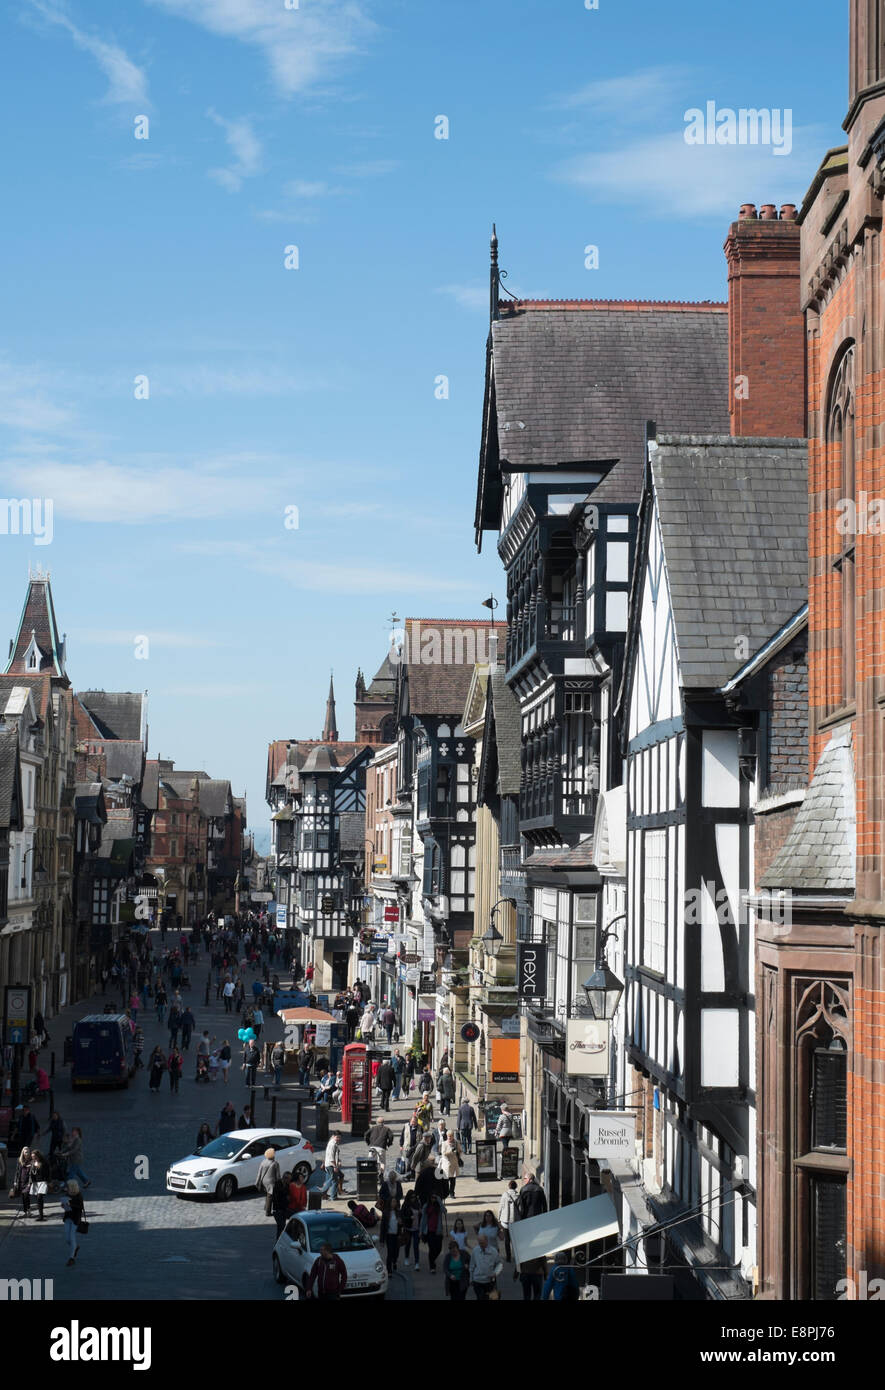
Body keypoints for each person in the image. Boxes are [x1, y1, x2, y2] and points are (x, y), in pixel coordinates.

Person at [470, 1232, 503, 1299]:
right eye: (479, 1243)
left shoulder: (493, 1251)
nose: (481, 1245)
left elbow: (499, 1264)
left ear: (487, 1241)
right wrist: (471, 1278)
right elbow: (472, 1266)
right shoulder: (475, 1250)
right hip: (477, 1280)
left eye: (482, 1243)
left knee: (490, 1298)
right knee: (480, 1297)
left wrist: (495, 1273)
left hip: (489, 1281)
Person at [61, 1179, 86, 1266]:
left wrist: (71, 1205)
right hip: (68, 1218)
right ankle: (75, 1247)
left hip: (75, 1219)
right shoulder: (67, 1194)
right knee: (68, 1239)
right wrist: (63, 1205)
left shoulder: (79, 1196)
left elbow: (80, 1207)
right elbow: (65, 1206)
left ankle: (71, 1258)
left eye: (68, 1186)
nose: (66, 1188)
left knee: (72, 1237)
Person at [420, 1192, 446, 1272]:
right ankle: (432, 1266)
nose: (433, 1199)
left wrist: (439, 1200)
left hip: (438, 1230)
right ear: (429, 1198)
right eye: (432, 1197)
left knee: (438, 1248)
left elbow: (444, 1211)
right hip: (429, 1231)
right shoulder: (426, 1206)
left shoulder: (438, 1206)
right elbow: (423, 1219)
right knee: (432, 1248)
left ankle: (432, 1260)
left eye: (435, 1198)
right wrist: (421, 1230)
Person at [498, 1179, 519, 1262]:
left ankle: (508, 1257)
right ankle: (516, 1256)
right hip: (515, 1220)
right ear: (516, 1187)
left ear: (509, 1186)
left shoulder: (504, 1195)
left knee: (507, 1240)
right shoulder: (518, 1196)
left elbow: (501, 1207)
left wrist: (499, 1218)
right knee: (515, 1241)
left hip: (505, 1221)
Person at [379, 1196, 401, 1273]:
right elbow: (382, 1227)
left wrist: (400, 1222)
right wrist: (381, 1240)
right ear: (389, 1203)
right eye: (393, 1202)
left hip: (397, 1235)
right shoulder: (385, 1213)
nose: (394, 1203)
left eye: (395, 1202)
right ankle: (389, 1270)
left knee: (396, 1252)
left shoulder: (398, 1212)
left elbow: (402, 1224)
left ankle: (394, 1262)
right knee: (390, 1252)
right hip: (389, 1235)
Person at [256, 1148, 280, 1217]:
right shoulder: (275, 1163)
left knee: (266, 1195)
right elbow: (278, 1175)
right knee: (270, 1196)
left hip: (263, 1181)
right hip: (271, 1182)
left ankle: (265, 1207)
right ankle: (268, 1212)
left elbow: (259, 1173)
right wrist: (279, 1182)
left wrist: (258, 1181)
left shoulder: (263, 1162)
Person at [11, 1146, 34, 1217]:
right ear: (23, 1153)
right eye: (25, 1152)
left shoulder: (31, 1160)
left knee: (26, 1195)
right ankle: (25, 1211)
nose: (27, 1153)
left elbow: (33, 1172)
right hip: (21, 1181)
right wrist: (15, 1181)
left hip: (28, 1181)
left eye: (28, 1151)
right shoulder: (19, 1160)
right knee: (23, 1197)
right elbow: (17, 1172)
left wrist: (31, 1182)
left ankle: (29, 1210)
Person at [402, 1191, 421, 1269]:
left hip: (417, 1229)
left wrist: (421, 1212)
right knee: (408, 1244)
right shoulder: (405, 1205)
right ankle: (406, 1258)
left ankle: (417, 1263)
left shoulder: (418, 1204)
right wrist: (409, 1218)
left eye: (414, 1197)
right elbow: (402, 1217)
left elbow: (421, 1216)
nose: (413, 1199)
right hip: (408, 1228)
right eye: (411, 1197)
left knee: (416, 1246)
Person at [440, 1131, 462, 1197]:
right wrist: (451, 1151)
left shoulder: (456, 1142)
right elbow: (443, 1153)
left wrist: (458, 1153)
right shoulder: (444, 1143)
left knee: (453, 1180)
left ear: (453, 1136)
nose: (449, 1137)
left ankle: (452, 1193)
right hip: (447, 1164)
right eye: (448, 1136)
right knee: (446, 1180)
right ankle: (446, 1193)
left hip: (454, 1163)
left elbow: (460, 1151)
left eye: (451, 1136)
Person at [322, 1132, 345, 1198]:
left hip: (330, 1164)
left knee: (331, 1179)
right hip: (331, 1165)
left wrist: (339, 1161)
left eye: (339, 1137)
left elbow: (335, 1156)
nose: (338, 1139)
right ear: (334, 1136)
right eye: (337, 1137)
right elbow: (331, 1157)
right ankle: (332, 1196)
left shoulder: (333, 1143)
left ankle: (324, 1193)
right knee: (334, 1181)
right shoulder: (332, 1144)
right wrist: (335, 1166)